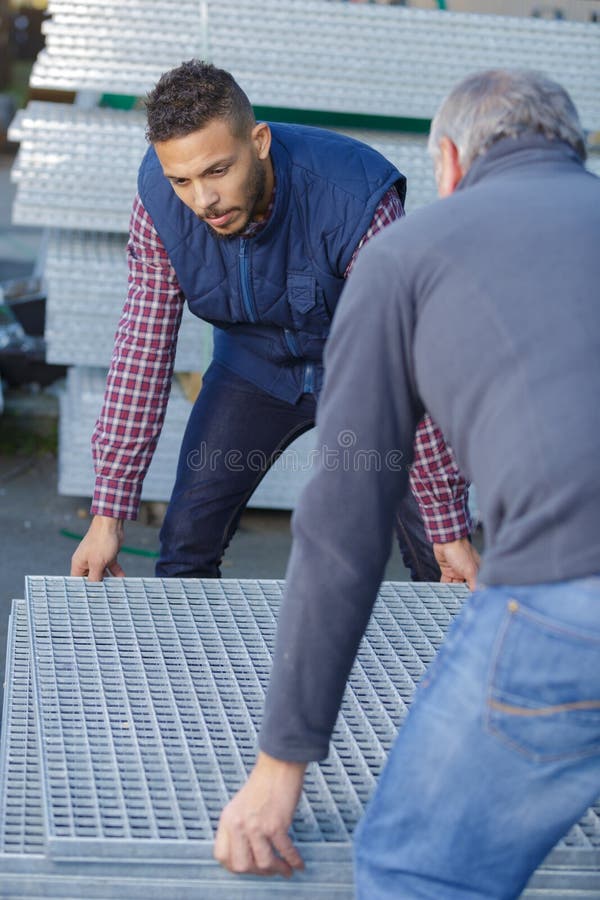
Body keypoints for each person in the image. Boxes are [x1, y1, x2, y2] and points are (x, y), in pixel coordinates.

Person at [214, 69, 600, 898]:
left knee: (413, 870)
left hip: (570, 604)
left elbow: (345, 521)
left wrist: (281, 762)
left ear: (450, 163)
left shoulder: (407, 255)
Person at [70, 59, 478, 585]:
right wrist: (107, 513)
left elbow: (401, 362)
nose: (203, 200)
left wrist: (449, 526)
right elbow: (141, 351)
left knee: (438, 552)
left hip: (360, 373)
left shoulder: (355, 199)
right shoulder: (159, 201)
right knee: (185, 546)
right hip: (252, 369)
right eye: (182, 180)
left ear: (259, 141)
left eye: (218, 171)